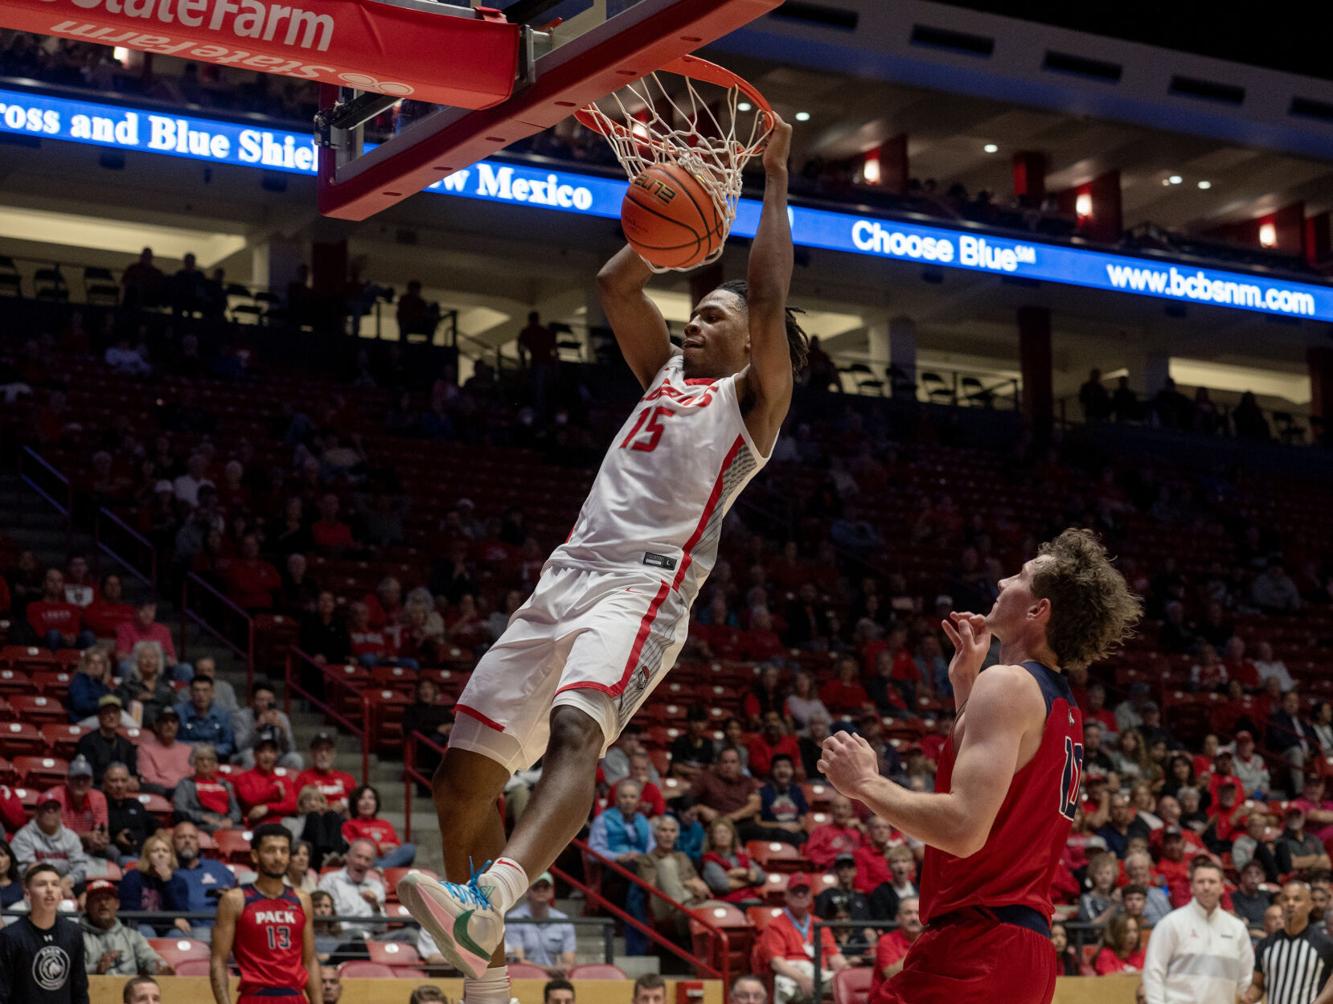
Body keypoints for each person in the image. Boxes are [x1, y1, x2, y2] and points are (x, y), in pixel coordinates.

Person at [397, 118, 804, 1004]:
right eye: (696, 311)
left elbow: (768, 301)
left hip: (644, 586)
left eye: (712, 316)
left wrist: (767, 184)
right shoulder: (664, 376)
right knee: (459, 778)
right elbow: (616, 282)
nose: (695, 322)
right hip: (566, 576)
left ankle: (492, 896)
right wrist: (673, 218)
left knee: (581, 733)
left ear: (750, 348)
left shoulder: (752, 409)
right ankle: (486, 977)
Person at [818, 529, 1141, 1004]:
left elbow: (966, 829)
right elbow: (1003, 805)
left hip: (979, 946)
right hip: (1019, 949)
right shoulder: (1059, 704)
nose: (1002, 582)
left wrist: (865, 783)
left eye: (1020, 576)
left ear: (1038, 609)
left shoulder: (1007, 685)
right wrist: (966, 687)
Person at [211, 824, 320, 1004]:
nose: (278, 857)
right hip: (255, 996)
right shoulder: (235, 900)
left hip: (295, 996)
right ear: (255, 855)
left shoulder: (302, 899)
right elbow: (218, 961)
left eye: (284, 851)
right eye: (270, 850)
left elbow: (309, 962)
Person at [1142, 859, 1253, 1004]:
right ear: (1191, 887)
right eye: (1200, 882)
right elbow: (1153, 972)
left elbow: (1247, 979)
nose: (1206, 887)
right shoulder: (1171, 924)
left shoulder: (1237, 928)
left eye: (1212, 882)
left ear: (1222, 887)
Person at [754, 872, 848, 1004]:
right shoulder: (775, 925)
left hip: (819, 976)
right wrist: (801, 978)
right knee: (839, 989)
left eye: (804, 891)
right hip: (792, 978)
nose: (800, 895)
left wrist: (849, 972)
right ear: (786, 895)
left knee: (852, 984)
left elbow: (834, 957)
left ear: (811, 896)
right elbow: (777, 963)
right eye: (795, 891)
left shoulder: (819, 924)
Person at [0, 864, 89, 1003]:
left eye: (55, 884)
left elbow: (80, 988)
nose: (49, 889)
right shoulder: (10, 937)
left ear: (61, 894)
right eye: (41, 884)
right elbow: (2, 992)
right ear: (28, 894)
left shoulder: (73, 932)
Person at [1246, 879, 1333, 1003]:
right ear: (1280, 904)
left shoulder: (1326, 945)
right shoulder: (1266, 944)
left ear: (1310, 905)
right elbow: (1257, 985)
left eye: (1297, 899)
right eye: (1285, 899)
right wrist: (1249, 997)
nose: (1290, 903)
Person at [164, 821, 238, 942]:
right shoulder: (167, 872)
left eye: (192, 837)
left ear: (198, 843)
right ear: (173, 843)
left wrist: (229, 896)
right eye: (181, 837)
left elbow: (238, 898)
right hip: (189, 929)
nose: (187, 841)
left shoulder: (218, 868)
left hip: (223, 925)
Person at [80, 878, 170, 977]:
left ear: (117, 904)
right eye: (97, 899)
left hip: (131, 989)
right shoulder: (77, 937)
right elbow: (71, 971)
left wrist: (159, 967)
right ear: (87, 906)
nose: (103, 903)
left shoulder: (133, 936)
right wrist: (96, 968)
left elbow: (149, 958)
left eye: (107, 898)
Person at [502, 872, 576, 975]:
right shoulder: (513, 919)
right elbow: (518, 961)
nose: (541, 890)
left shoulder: (564, 920)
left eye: (545, 887)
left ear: (552, 891)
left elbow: (569, 961)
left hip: (556, 978)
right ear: (527, 892)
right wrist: (550, 970)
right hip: (524, 977)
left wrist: (560, 969)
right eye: (536, 887)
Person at [12, 795, 90, 892]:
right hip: (35, 888)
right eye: (46, 808)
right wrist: (55, 885)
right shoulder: (23, 836)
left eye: (54, 808)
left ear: (60, 813)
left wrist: (67, 881)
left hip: (67, 886)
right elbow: (26, 871)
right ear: (37, 813)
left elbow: (80, 867)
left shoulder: (71, 837)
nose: (51, 811)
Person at [316, 839, 385, 938]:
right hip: (340, 936)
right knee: (357, 935)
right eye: (359, 856)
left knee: (409, 934)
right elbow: (320, 915)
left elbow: (381, 928)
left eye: (367, 859)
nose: (362, 862)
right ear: (348, 857)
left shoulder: (376, 887)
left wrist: (375, 906)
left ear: (371, 865)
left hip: (371, 938)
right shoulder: (330, 880)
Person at [234, 733, 299, 828]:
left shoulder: (284, 779)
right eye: (262, 751)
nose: (267, 756)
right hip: (256, 825)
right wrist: (274, 789)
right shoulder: (243, 778)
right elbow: (250, 800)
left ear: (276, 755)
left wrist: (267, 807)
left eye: (271, 752)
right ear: (255, 755)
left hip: (282, 824)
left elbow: (291, 805)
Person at [341, 785, 415, 869]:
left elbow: (397, 845)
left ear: (376, 802)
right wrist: (378, 848)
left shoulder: (385, 824)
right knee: (366, 859)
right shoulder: (349, 824)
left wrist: (390, 848)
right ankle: (380, 867)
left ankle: (379, 868)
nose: (367, 802)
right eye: (361, 798)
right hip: (368, 859)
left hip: (389, 858)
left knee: (409, 848)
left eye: (371, 798)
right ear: (355, 803)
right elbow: (354, 847)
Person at [233, 682, 302, 770]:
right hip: (253, 755)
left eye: (269, 700)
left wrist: (283, 731)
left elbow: (291, 749)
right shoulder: (241, 717)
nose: (265, 704)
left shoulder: (281, 717)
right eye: (261, 700)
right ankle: (252, 783)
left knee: (295, 759)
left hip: (274, 757)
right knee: (249, 755)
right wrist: (257, 729)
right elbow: (241, 747)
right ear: (253, 701)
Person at [173, 744, 242, 832]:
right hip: (199, 824)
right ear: (194, 763)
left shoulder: (225, 784)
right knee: (216, 829)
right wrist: (202, 817)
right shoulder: (185, 784)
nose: (205, 763)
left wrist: (230, 820)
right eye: (201, 759)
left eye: (209, 759)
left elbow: (236, 811)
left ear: (214, 763)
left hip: (224, 821)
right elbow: (180, 809)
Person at [120, 833, 177, 937]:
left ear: (171, 856)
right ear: (147, 856)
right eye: (155, 851)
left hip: (166, 929)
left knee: (178, 933)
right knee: (146, 931)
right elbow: (131, 913)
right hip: (140, 926)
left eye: (165, 851)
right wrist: (171, 920)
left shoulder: (178, 880)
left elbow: (180, 913)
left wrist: (167, 882)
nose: (161, 854)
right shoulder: (132, 877)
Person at [137, 707, 192, 796]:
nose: (169, 725)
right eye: (165, 722)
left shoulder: (188, 750)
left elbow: (192, 776)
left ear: (178, 726)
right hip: (161, 793)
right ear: (157, 726)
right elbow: (150, 779)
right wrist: (177, 787)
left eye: (173, 722)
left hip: (186, 793)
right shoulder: (145, 749)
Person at [295, 734, 356, 815]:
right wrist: (326, 808)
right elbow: (296, 806)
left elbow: (357, 804)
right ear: (312, 753)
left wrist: (344, 806)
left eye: (328, 750)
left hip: (342, 819)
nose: (323, 754)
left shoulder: (347, 779)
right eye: (319, 750)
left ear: (334, 754)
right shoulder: (303, 777)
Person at [178, 676, 236, 760]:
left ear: (212, 692)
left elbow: (228, 743)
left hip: (215, 758)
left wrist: (213, 750)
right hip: (185, 758)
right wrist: (194, 748)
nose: (201, 694)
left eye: (205, 690)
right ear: (190, 692)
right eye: (196, 690)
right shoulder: (178, 712)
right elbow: (172, 741)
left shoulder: (223, 714)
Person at [872, 897, 923, 991]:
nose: (914, 918)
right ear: (898, 918)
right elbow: (891, 975)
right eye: (908, 913)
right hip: (889, 997)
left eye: (918, 913)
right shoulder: (887, 940)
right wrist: (919, 949)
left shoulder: (928, 938)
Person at [104, 763, 152, 860]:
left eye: (123, 780)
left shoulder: (136, 804)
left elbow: (152, 825)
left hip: (142, 851)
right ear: (105, 783)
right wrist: (116, 838)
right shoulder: (100, 805)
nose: (119, 785)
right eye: (114, 781)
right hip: (118, 854)